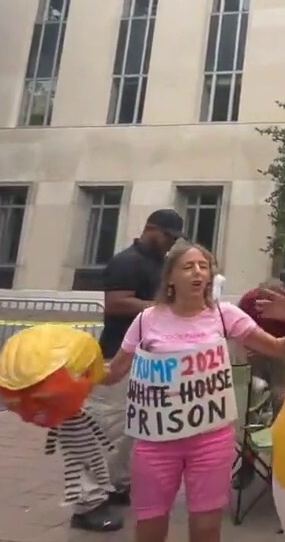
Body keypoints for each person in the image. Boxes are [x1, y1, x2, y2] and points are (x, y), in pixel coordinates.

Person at [102, 242, 285, 542]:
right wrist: (74, 371)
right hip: (156, 442)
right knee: (149, 527)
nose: (198, 272)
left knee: (207, 529)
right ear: (170, 278)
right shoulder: (146, 320)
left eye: (203, 266)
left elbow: (278, 349)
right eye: (188, 266)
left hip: (210, 441)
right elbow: (114, 372)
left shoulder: (225, 315)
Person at [69, 208, 184, 532]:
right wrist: (161, 308)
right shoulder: (127, 261)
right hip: (116, 356)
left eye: (175, 239)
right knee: (106, 429)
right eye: (168, 236)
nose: (170, 243)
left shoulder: (159, 263)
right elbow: (116, 302)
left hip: (146, 358)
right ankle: (87, 503)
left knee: (131, 430)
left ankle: (118, 485)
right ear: (151, 229)